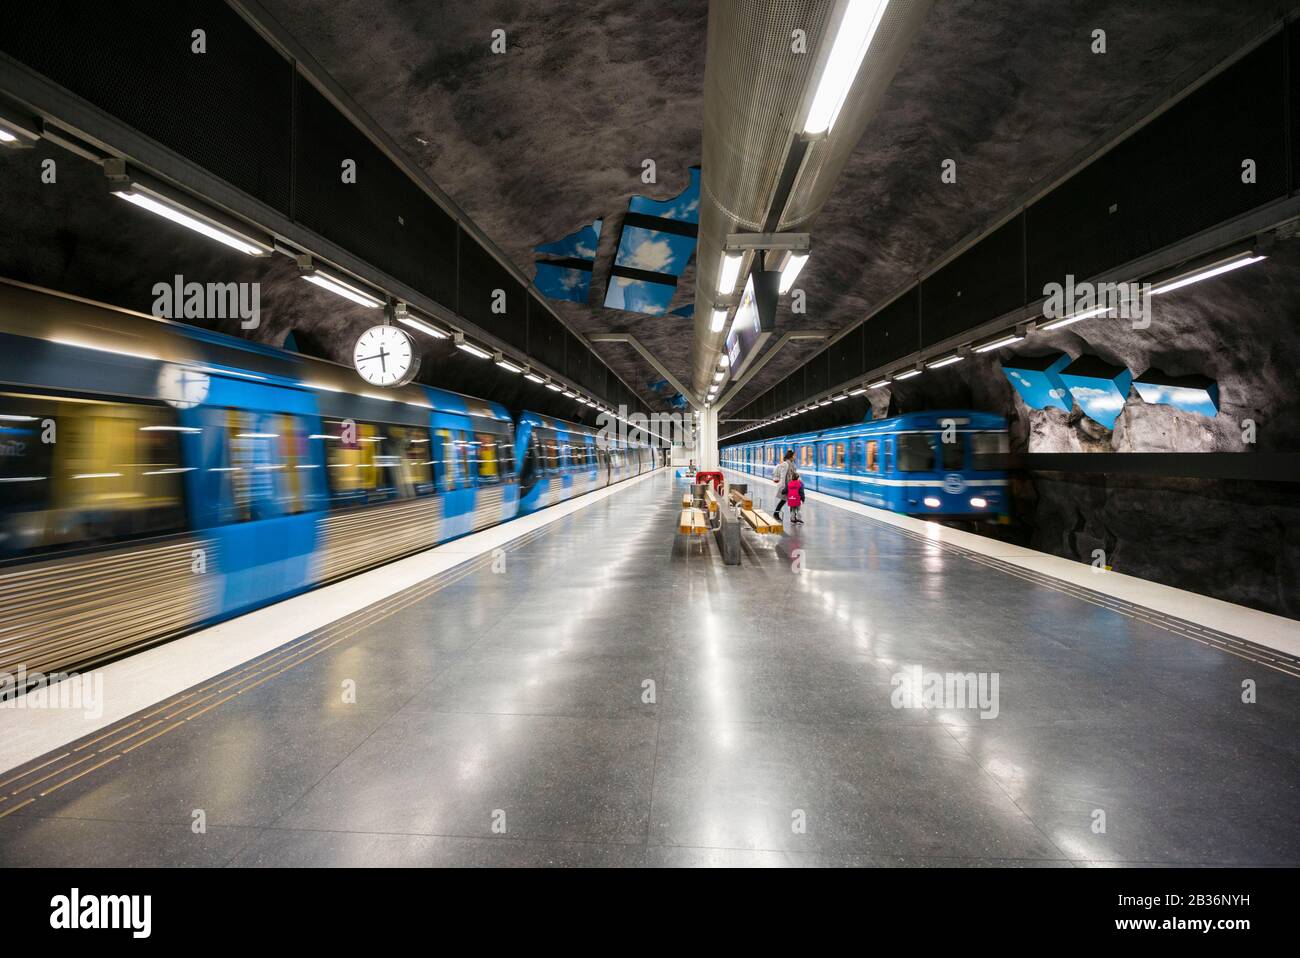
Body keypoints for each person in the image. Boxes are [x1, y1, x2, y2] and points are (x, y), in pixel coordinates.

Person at [771, 449, 795, 520]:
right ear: (790, 457)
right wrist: (783, 487)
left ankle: (793, 517)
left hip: (790, 485)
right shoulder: (785, 464)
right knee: (784, 500)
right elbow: (783, 476)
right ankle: (776, 514)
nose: (795, 457)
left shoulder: (791, 464)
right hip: (786, 486)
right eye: (794, 456)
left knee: (791, 500)